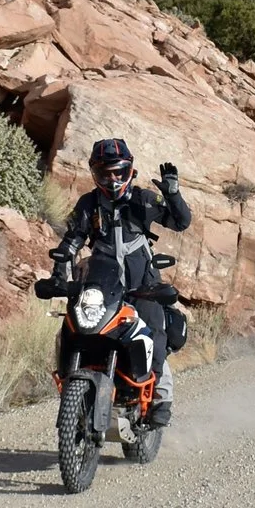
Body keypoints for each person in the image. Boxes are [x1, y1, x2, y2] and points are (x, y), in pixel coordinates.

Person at [51, 138, 192, 426]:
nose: (112, 179)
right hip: (101, 284)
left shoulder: (143, 199)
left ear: (129, 170)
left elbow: (180, 222)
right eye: (105, 173)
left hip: (143, 285)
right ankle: (75, 383)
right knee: (75, 326)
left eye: (118, 172)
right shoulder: (88, 204)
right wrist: (58, 274)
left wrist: (173, 194)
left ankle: (160, 399)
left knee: (155, 333)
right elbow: (71, 241)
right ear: (95, 174)